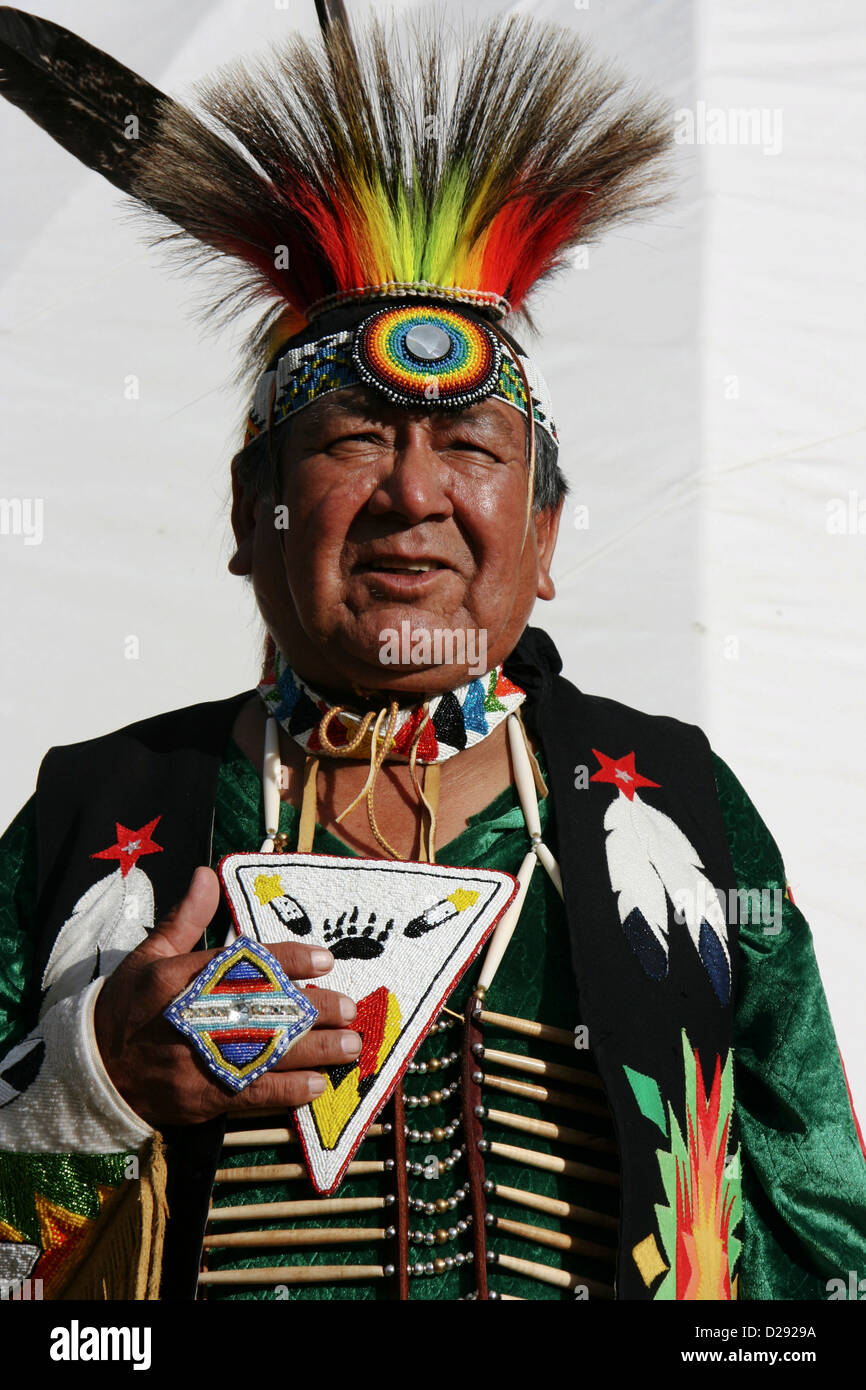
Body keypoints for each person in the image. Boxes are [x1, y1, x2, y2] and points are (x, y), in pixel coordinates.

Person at [0, 5, 864, 1303]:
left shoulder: (678, 813)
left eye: (470, 447)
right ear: (251, 518)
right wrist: (98, 1078)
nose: (415, 494)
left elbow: (818, 1238)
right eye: (354, 439)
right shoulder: (101, 807)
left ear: (545, 530)